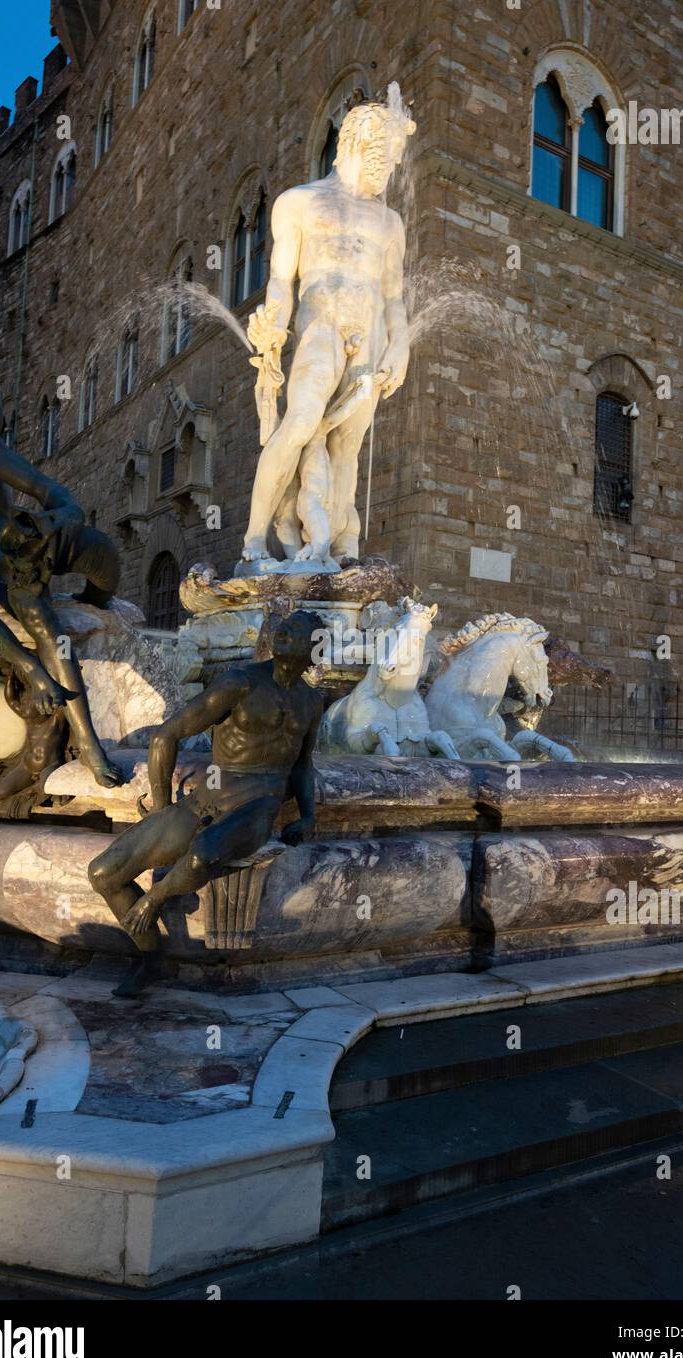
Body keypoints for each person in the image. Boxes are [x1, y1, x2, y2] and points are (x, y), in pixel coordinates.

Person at [89, 609, 324, 997]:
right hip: (204, 801)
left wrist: (308, 815)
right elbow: (166, 736)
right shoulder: (240, 683)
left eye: (296, 630)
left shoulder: (311, 702)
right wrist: (164, 806)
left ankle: (152, 904)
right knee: (103, 873)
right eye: (284, 626)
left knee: (201, 855)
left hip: (258, 806)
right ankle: (152, 958)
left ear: (314, 649)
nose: (284, 632)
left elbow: (303, 764)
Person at [242, 90, 416, 567]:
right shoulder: (298, 203)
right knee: (299, 423)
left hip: (371, 333)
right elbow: (281, 279)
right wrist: (273, 323)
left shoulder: (391, 222)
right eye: (392, 159)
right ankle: (255, 540)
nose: (393, 171)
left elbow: (394, 297)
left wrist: (399, 344)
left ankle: (343, 548)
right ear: (365, 144)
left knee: (348, 442)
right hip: (319, 325)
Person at [0, 403, 122, 787]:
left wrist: (63, 516)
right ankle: (29, 667)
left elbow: (45, 489)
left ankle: (87, 741)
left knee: (32, 607)